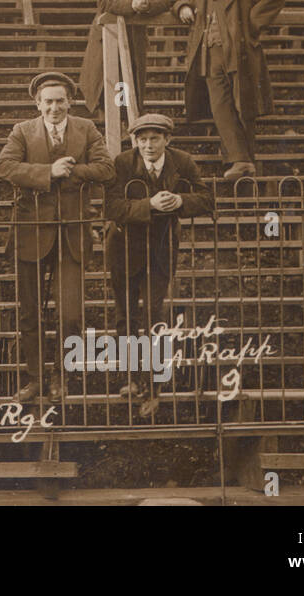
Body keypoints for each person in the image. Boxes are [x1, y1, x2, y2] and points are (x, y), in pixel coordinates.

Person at [0, 72, 114, 405]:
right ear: (38, 104)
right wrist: (47, 173)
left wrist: (71, 171)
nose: (54, 107)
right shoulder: (22, 131)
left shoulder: (86, 129)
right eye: (47, 101)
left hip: (72, 234)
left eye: (60, 101)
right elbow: (3, 167)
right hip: (30, 233)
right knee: (30, 313)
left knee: (70, 314)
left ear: (69, 102)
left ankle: (62, 376)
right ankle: (34, 379)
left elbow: (106, 169)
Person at [103, 113, 213, 412]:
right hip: (124, 247)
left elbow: (206, 198)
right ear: (135, 142)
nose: (149, 145)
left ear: (167, 139)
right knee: (126, 316)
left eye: (155, 139)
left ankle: (153, 385)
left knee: (155, 314)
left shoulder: (182, 162)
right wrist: (147, 205)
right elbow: (111, 206)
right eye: (143, 140)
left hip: (162, 248)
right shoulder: (123, 163)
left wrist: (181, 202)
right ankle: (130, 378)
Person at [176, 0, 285, 180]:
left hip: (237, 56)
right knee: (220, 107)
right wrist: (183, 6)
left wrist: (251, 25)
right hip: (209, 57)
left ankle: (242, 161)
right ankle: (241, 160)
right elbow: (179, 2)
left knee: (242, 106)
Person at [78, 0, 171, 115]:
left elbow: (164, 1)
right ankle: (109, 118)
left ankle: (130, 118)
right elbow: (104, 3)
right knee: (106, 76)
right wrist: (132, 4)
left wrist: (148, 4)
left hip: (135, 36)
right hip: (108, 34)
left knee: (134, 77)